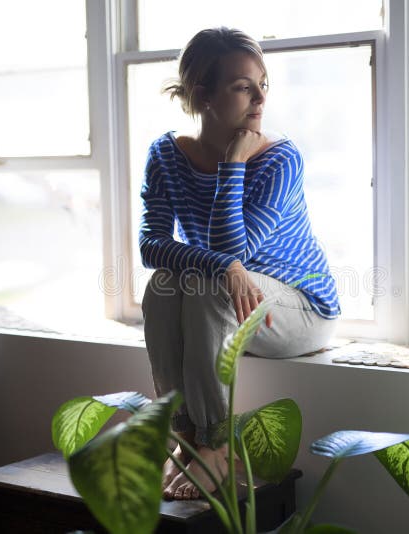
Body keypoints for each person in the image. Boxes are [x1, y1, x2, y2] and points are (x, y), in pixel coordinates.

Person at [139, 27, 340, 501]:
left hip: (302, 309)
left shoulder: (279, 159)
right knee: (164, 285)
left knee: (207, 283)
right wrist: (226, 268)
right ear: (201, 93)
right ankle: (183, 436)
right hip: (233, 301)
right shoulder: (167, 154)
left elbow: (237, 250)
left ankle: (215, 445)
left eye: (263, 84)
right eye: (242, 86)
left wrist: (232, 163)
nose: (259, 98)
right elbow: (151, 246)